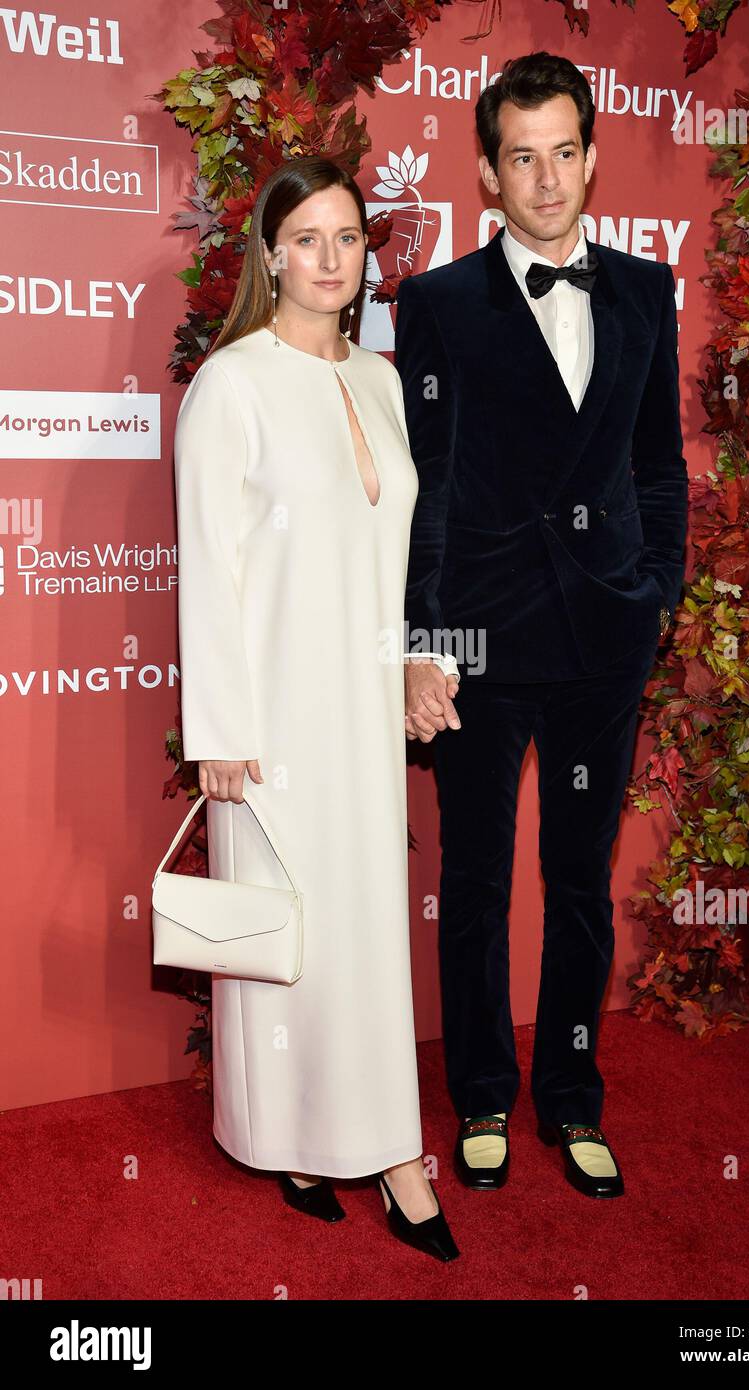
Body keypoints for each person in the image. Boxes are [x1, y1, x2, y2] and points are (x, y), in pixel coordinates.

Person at [396, 52, 688, 1197]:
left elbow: (658, 466)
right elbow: (424, 486)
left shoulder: (641, 290)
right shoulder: (437, 304)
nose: (547, 178)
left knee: (577, 881)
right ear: (486, 172)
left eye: (564, 152)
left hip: (603, 642)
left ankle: (569, 1096)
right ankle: (478, 1090)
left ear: (592, 157)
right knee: (472, 880)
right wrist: (422, 642)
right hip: (482, 646)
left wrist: (654, 588)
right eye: (523, 157)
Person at [173, 156, 459, 1261]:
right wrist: (223, 736)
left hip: (359, 715)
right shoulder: (230, 383)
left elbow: (390, 561)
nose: (332, 260)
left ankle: (381, 1140)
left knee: (363, 937)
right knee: (288, 944)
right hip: (273, 718)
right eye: (309, 239)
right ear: (270, 253)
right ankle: (304, 1138)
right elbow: (212, 566)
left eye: (350, 238)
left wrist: (408, 665)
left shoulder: (382, 382)